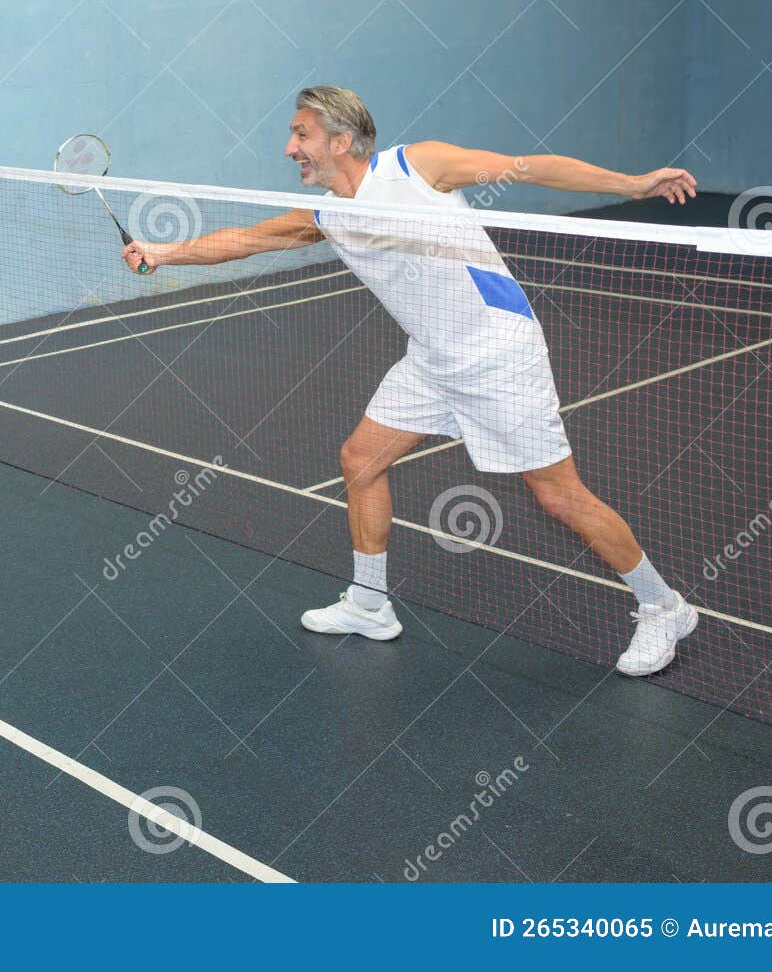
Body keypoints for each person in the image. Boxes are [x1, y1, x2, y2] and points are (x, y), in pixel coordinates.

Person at [123, 85, 700, 676]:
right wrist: (164, 253)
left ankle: (664, 606)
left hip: (498, 352)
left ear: (340, 140)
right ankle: (370, 603)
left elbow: (530, 167)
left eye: (301, 135)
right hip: (431, 358)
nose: (289, 147)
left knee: (558, 494)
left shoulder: (417, 165)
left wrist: (632, 184)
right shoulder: (328, 213)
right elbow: (244, 241)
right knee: (361, 460)